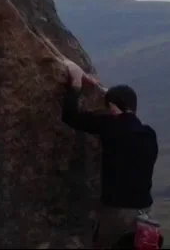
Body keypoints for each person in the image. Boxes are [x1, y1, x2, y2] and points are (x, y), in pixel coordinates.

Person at [60, 60, 160, 249]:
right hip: (144, 213)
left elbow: (70, 116)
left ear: (112, 108)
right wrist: (108, 95)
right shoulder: (149, 134)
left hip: (116, 213)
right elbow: (129, 120)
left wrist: (75, 84)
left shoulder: (110, 126)